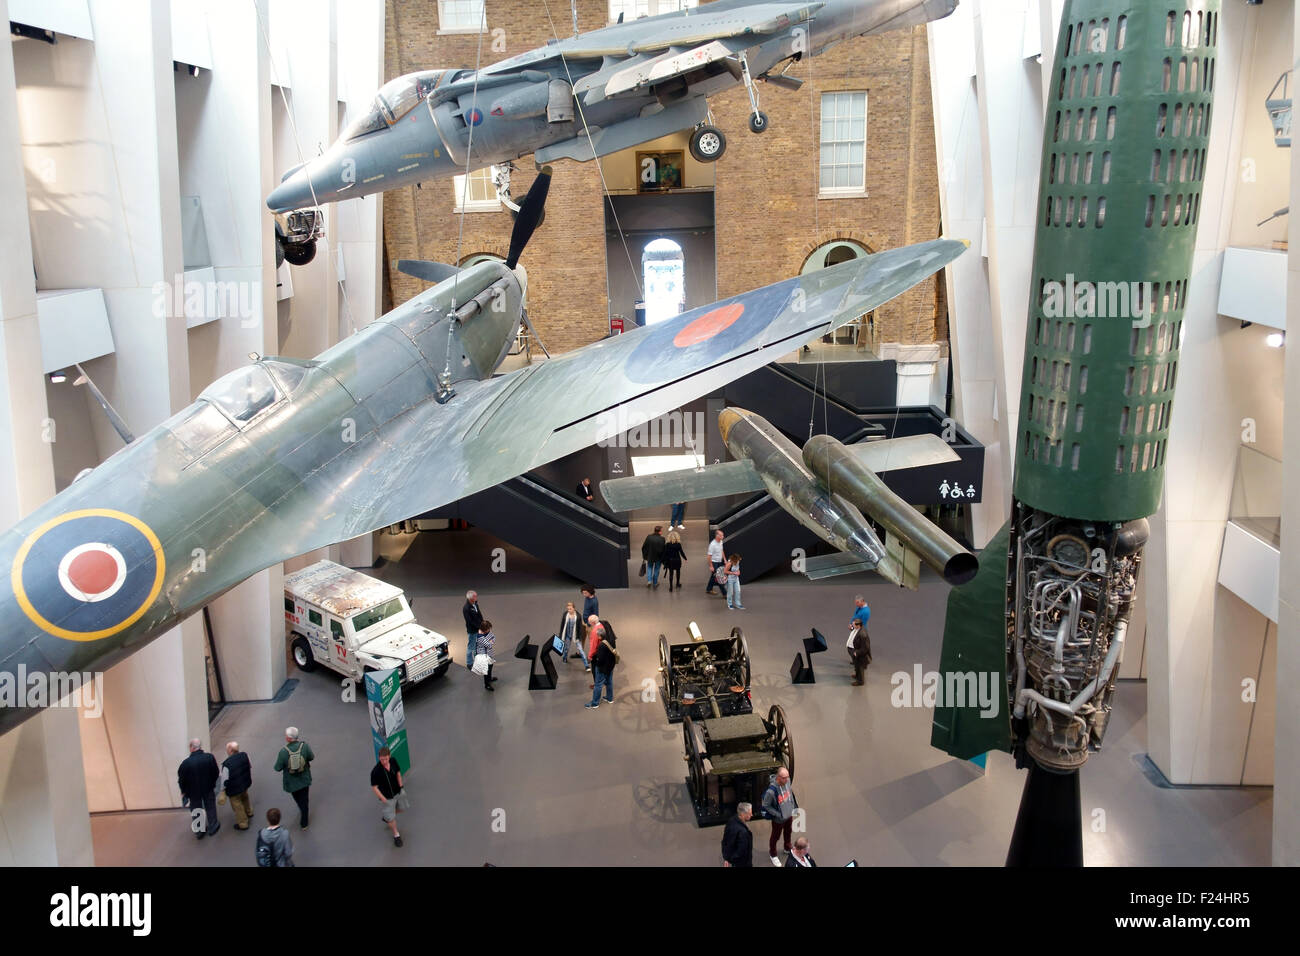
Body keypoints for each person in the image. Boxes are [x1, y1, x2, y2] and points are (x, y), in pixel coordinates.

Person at [177, 738, 221, 839]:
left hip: (193, 792)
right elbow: (215, 772)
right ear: (200, 747)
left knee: (196, 809)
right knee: (210, 806)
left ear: (191, 748)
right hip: (208, 788)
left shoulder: (185, 763)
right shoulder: (209, 757)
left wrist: (184, 791)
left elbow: (181, 780)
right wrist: (212, 783)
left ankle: (200, 830)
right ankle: (213, 826)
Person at [272, 727, 314, 829]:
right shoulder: (304, 747)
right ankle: (304, 821)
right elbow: (311, 757)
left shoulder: (283, 752)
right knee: (305, 799)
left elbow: (277, 768)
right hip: (304, 778)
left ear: (288, 739)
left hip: (291, 782)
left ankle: (303, 812)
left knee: (298, 799)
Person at [761, 766, 798, 866]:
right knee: (775, 836)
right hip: (779, 819)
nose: (787, 780)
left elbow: (790, 793)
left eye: (787, 777)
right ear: (778, 777)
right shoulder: (771, 791)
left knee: (788, 831)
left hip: (788, 814)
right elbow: (766, 805)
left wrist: (794, 807)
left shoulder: (788, 781)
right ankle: (773, 854)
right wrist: (778, 814)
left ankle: (787, 847)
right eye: (784, 778)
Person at [370, 746, 406, 848]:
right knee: (391, 819)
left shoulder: (393, 761)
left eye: (386, 759)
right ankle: (396, 835)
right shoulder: (375, 771)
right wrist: (383, 798)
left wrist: (401, 786)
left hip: (398, 792)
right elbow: (375, 787)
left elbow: (398, 773)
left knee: (402, 809)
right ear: (379, 757)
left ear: (389, 756)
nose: (384, 761)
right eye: (382, 759)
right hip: (387, 798)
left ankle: (387, 817)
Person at [220, 741, 253, 830]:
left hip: (234, 789)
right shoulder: (245, 755)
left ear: (230, 750)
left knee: (237, 805)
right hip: (245, 783)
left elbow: (224, 780)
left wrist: (222, 790)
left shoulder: (226, 764)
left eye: (227, 749)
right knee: (245, 797)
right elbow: (250, 766)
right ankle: (249, 811)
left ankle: (243, 823)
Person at [585, 618, 617, 710]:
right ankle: (610, 698)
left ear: (599, 637)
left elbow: (600, 660)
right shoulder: (610, 641)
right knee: (609, 682)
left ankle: (595, 703)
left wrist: (596, 665)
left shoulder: (601, 646)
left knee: (598, 685)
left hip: (602, 668)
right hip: (610, 666)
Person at [721, 802, 754, 867]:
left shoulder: (731, 820)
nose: (752, 815)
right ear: (743, 814)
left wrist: (726, 858)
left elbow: (725, 841)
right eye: (750, 813)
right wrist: (731, 859)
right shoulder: (743, 833)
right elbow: (741, 852)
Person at [849, 595, 873, 686]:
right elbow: (855, 616)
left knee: (860, 664)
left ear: (862, 601)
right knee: (854, 644)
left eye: (857, 603)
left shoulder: (866, 612)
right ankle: (855, 660)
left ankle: (860, 680)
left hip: (860, 652)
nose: (856, 604)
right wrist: (851, 624)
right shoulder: (859, 607)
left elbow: (865, 648)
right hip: (856, 629)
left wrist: (857, 653)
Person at [558, 601, 587, 667]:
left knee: (580, 650)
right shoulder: (565, 614)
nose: (569, 610)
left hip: (575, 636)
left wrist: (579, 637)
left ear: (574, 608)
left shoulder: (578, 616)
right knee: (566, 648)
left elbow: (580, 628)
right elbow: (562, 625)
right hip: (568, 635)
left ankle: (586, 665)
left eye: (570, 609)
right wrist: (561, 634)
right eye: (568, 609)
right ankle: (564, 658)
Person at [463, 590, 484, 669]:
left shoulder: (475, 604)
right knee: (471, 647)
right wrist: (479, 627)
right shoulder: (466, 608)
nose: (476, 597)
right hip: (472, 631)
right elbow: (470, 621)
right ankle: (469, 663)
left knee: (476, 647)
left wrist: (483, 623)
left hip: (478, 628)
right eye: (475, 596)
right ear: (471, 598)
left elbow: (479, 614)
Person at [476, 620, 499, 691]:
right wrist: (491, 641)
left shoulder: (487, 632)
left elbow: (493, 637)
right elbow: (489, 644)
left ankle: (489, 678)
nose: (490, 630)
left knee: (490, 666)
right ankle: (487, 684)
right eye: (489, 628)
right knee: (486, 670)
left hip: (489, 654)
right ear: (484, 629)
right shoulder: (480, 637)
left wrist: (490, 640)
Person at [641, 525, 666, 589]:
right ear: (659, 532)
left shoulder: (649, 537)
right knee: (656, 570)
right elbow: (663, 549)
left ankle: (649, 581)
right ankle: (655, 583)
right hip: (658, 557)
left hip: (650, 556)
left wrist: (645, 556)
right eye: (661, 531)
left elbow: (644, 547)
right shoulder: (662, 539)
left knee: (649, 568)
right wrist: (663, 558)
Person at [705, 529, 726, 595]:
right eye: (721, 535)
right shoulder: (712, 545)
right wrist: (711, 566)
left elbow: (721, 550)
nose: (723, 536)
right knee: (718, 577)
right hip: (714, 563)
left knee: (713, 576)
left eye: (723, 535)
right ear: (717, 536)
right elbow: (709, 556)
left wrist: (724, 559)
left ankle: (708, 589)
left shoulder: (721, 541)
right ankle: (725, 593)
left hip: (719, 561)